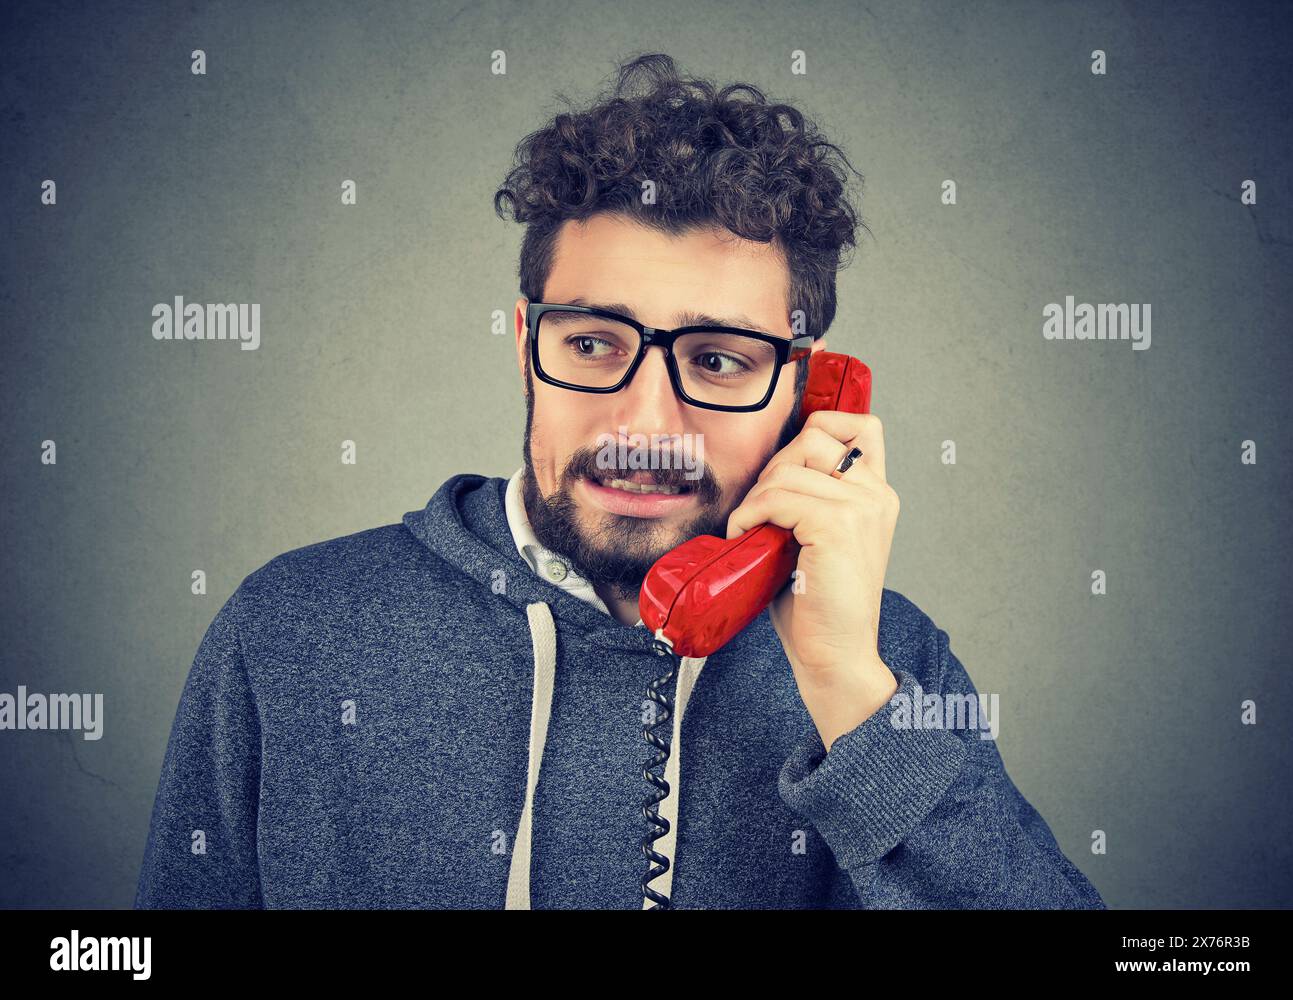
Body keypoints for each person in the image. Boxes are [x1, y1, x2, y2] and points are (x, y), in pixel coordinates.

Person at [135, 53, 1105, 910]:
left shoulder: (886, 663)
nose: (644, 423)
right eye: (594, 343)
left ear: (810, 395)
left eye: (718, 359)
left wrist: (853, 701)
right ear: (526, 348)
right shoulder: (291, 628)